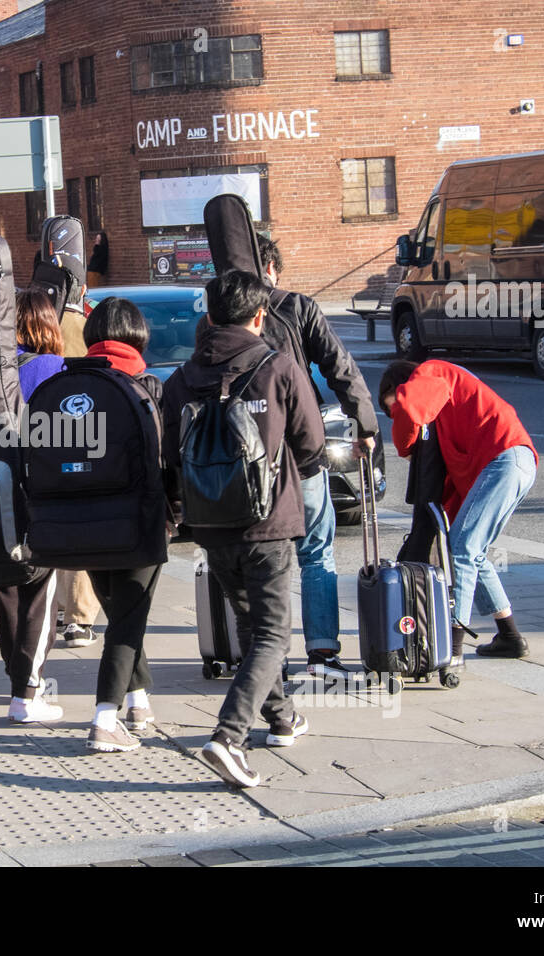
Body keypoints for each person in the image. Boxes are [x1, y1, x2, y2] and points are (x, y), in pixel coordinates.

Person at [162, 271, 324, 788]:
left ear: (209, 316)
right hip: (268, 520)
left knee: (252, 624)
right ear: (259, 317)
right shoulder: (277, 366)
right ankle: (228, 737)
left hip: (209, 522)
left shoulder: (181, 379)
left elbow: (169, 456)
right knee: (273, 632)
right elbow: (313, 444)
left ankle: (281, 718)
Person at [257, 234, 379, 680]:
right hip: (300, 449)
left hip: (245, 456)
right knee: (316, 551)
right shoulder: (297, 306)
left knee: (260, 554)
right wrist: (364, 425)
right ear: (273, 269)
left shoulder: (221, 312)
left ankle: (260, 658)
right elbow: (339, 367)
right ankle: (322, 654)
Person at [378, 359, 537, 660]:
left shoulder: (430, 372)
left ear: (400, 387)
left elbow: (409, 410)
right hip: (513, 461)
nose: (394, 416)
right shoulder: (446, 413)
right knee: (472, 552)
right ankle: (509, 635)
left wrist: (406, 447)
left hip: (504, 458)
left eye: (391, 408)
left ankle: (452, 646)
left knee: (463, 549)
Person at [77, 297, 167, 753]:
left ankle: (138, 700)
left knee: (120, 613)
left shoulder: (68, 383)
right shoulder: (147, 386)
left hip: (77, 522)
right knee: (128, 619)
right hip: (136, 521)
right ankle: (104, 717)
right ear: (139, 335)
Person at [0, 290, 66, 723]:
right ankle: (28, 690)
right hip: (37, 491)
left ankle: (17, 677)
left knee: (3, 585)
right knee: (40, 585)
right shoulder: (54, 369)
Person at [51, 270, 103, 649]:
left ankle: (55, 608)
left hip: (43, 435)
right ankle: (80, 619)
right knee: (85, 529)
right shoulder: (89, 326)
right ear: (83, 291)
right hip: (88, 435)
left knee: (55, 524)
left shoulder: (39, 324)